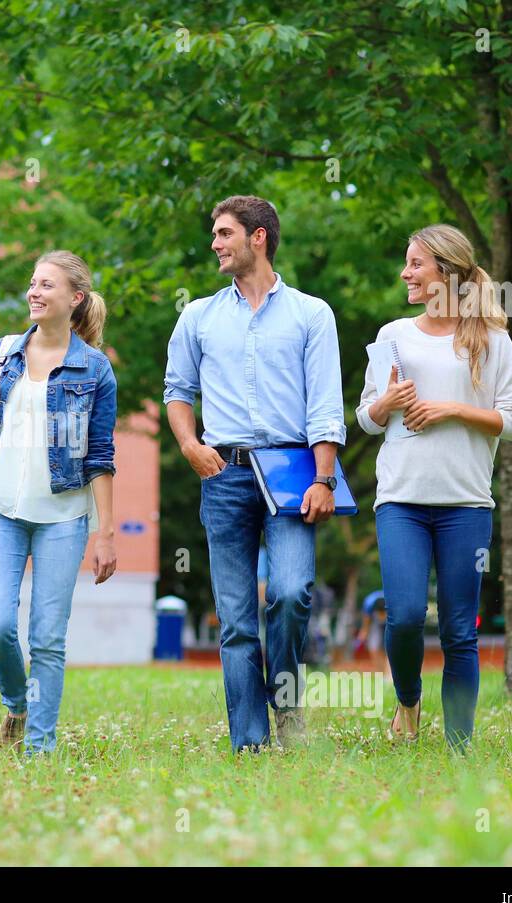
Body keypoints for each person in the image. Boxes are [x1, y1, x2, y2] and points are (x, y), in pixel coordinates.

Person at [164, 195, 346, 752]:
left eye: (224, 233)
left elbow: (325, 404)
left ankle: (285, 700)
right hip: (223, 473)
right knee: (237, 619)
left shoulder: (312, 314)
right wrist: (190, 445)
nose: (215, 244)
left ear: (258, 236)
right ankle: (250, 741)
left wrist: (324, 478)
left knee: (291, 592)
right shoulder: (198, 315)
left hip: (292, 472)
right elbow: (177, 390)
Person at [356, 223, 512, 750]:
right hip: (402, 501)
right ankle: (408, 701)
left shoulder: (492, 341)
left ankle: (459, 744)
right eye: (407, 264)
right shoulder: (393, 337)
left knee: (459, 630)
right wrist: (385, 404)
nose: (406, 273)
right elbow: (366, 417)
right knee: (405, 615)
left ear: (447, 273)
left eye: (416, 264)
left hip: (466, 504)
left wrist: (452, 409)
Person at [0, 251, 118, 754]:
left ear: (74, 299)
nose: (34, 292)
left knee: (49, 640)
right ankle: (17, 702)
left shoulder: (95, 369)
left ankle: (39, 748)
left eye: (46, 285)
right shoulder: (7, 350)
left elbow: (100, 455)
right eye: (33, 283)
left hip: (63, 516)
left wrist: (106, 533)